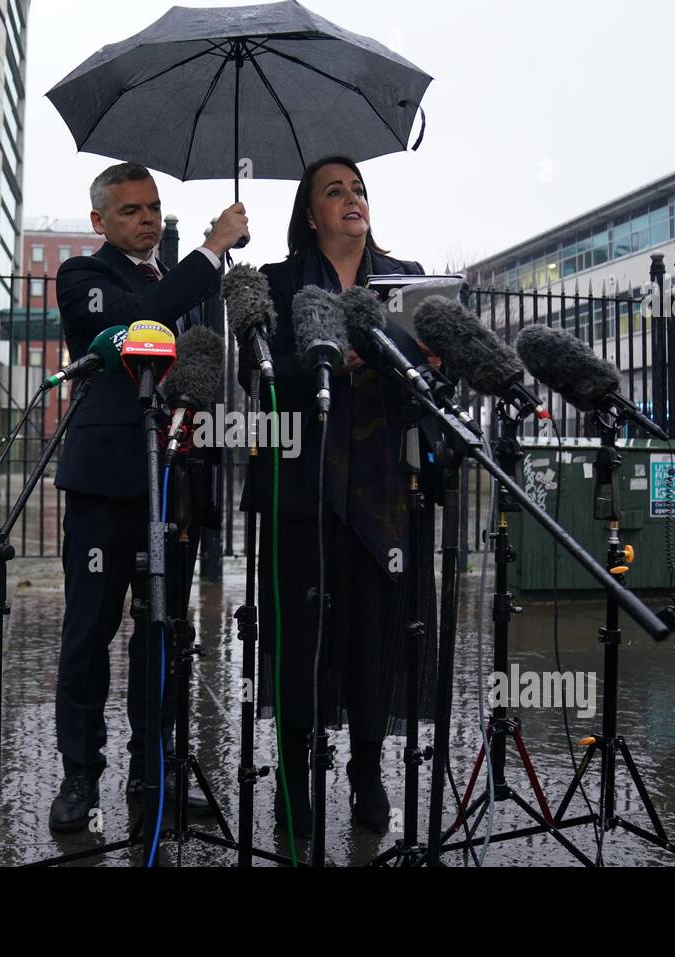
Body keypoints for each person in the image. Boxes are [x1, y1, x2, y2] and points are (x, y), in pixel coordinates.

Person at [239, 155, 439, 836]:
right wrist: (330, 360)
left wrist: (418, 366)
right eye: (335, 190)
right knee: (304, 641)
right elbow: (258, 378)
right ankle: (294, 780)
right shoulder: (277, 281)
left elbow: (431, 387)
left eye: (358, 189)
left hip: (387, 492)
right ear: (310, 212)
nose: (351, 197)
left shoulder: (404, 281)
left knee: (376, 638)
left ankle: (366, 770)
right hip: (304, 493)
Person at [50, 162, 249, 832]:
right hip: (108, 482)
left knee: (161, 637)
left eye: (154, 206)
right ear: (100, 220)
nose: (147, 219)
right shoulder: (85, 277)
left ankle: (151, 771)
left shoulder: (190, 289)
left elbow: (207, 372)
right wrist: (212, 250)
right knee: (88, 633)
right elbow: (136, 323)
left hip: (178, 485)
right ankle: (81, 773)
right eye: (131, 209)